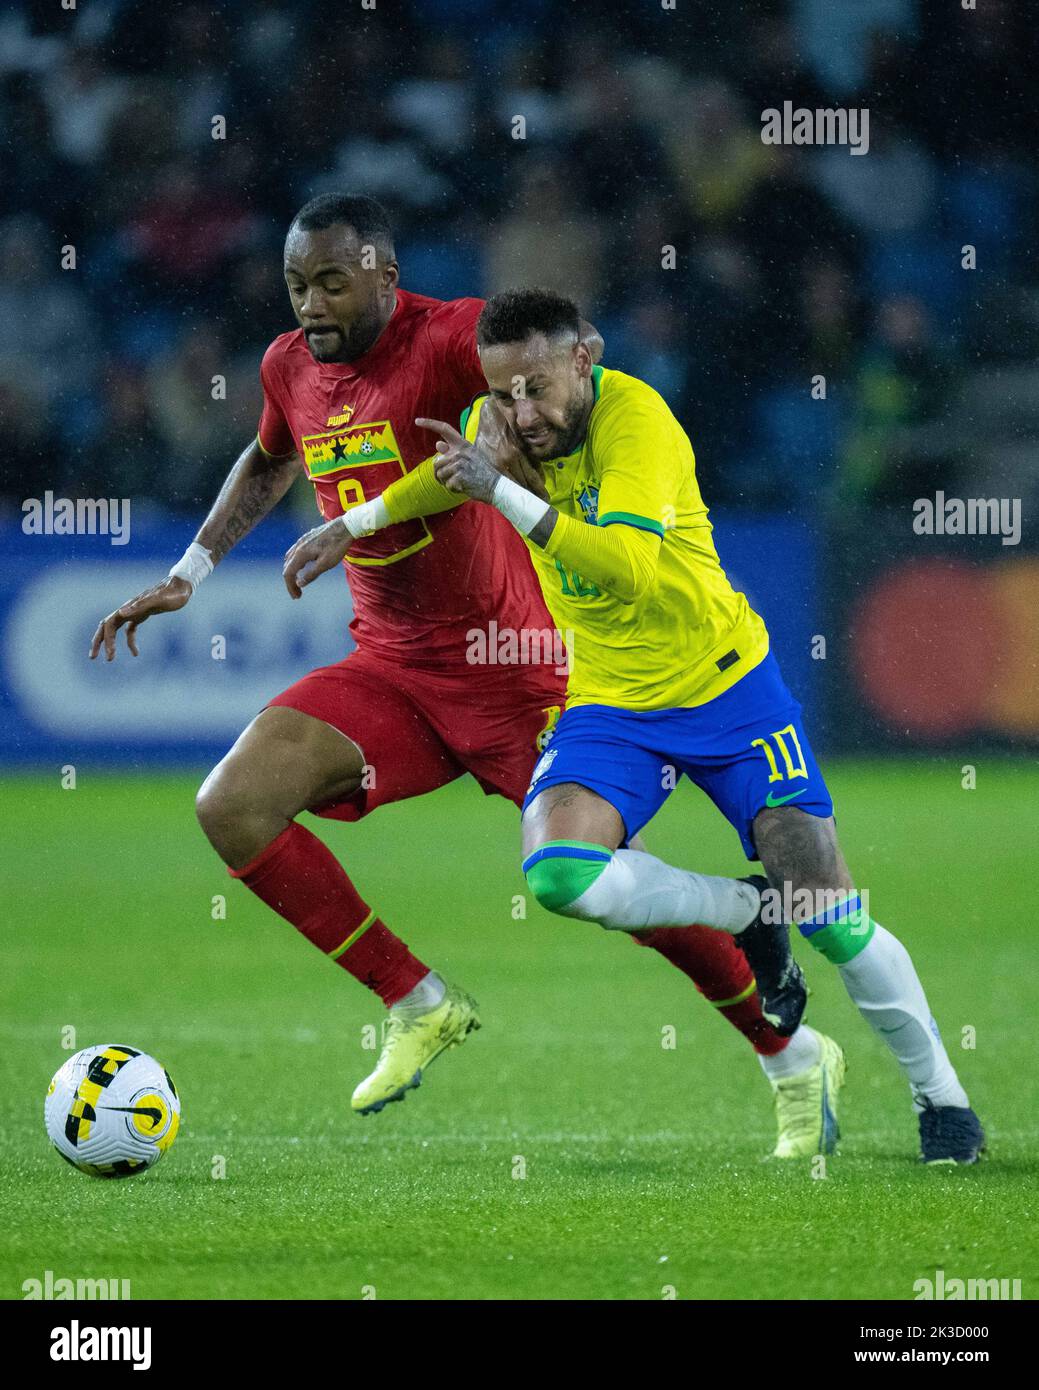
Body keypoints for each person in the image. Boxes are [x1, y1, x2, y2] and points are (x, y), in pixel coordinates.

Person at [90, 194, 826, 1158]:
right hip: (391, 666)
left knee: (609, 892)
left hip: (515, 670)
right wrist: (189, 573)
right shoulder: (286, 366)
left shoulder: (452, 340)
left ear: (384, 277)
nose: (310, 303)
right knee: (232, 803)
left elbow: (559, 376)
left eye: (331, 283)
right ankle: (418, 1000)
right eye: (295, 285)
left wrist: (531, 445)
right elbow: (269, 457)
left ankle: (790, 1055)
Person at [318, 287, 984, 1165]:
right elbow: (444, 478)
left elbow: (628, 569)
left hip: (726, 689)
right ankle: (747, 909)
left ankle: (940, 1095)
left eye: (537, 389)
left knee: (827, 912)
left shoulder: (640, 423)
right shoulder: (495, 423)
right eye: (502, 393)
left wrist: (501, 492)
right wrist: (354, 523)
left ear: (583, 358)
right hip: (609, 700)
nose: (519, 413)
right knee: (559, 875)